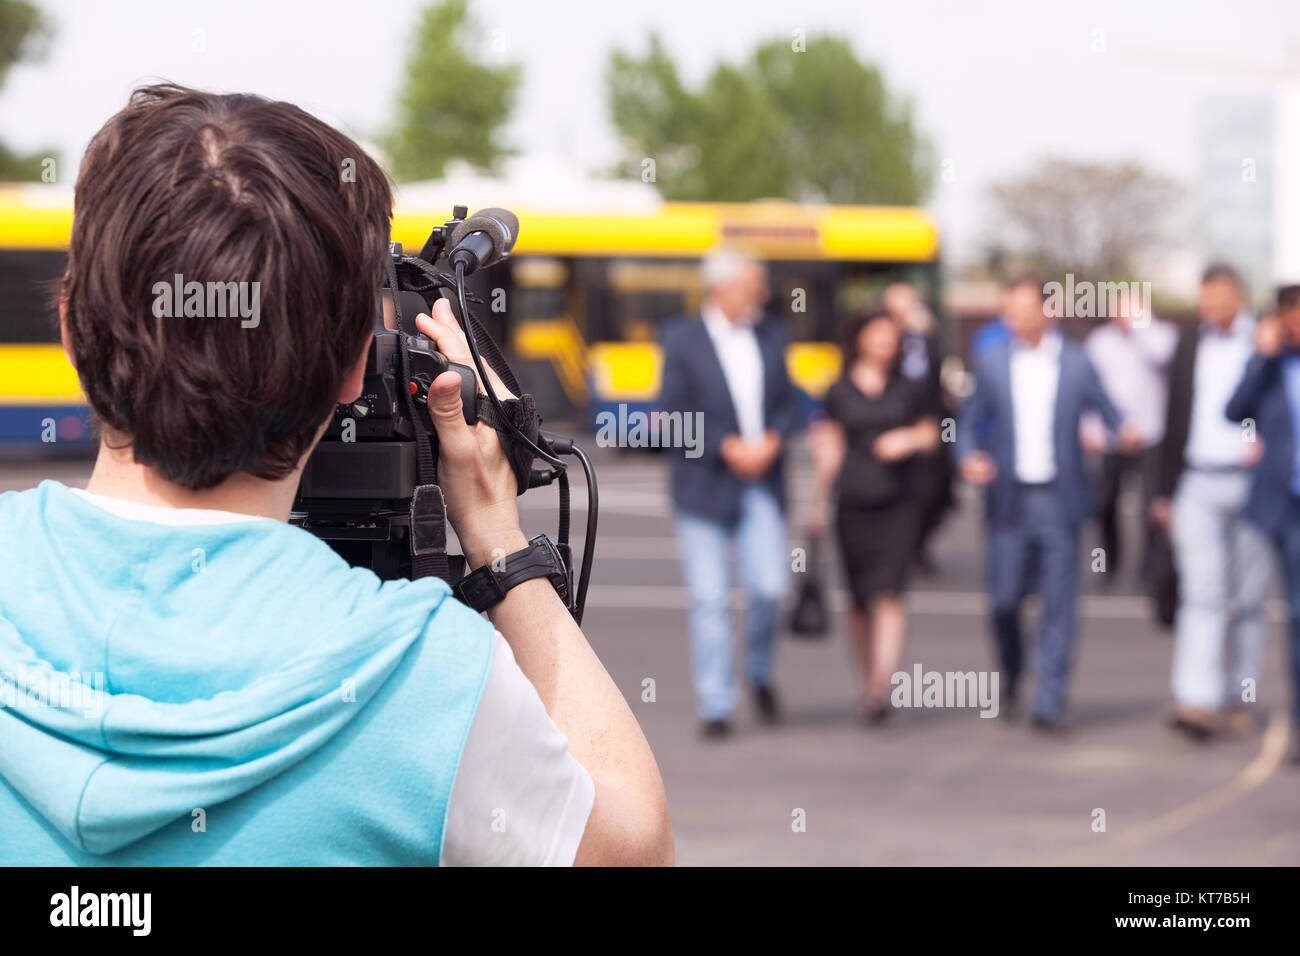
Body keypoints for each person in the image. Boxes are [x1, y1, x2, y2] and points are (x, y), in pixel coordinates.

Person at [0, 85, 673, 866]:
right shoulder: (422, 682)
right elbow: (634, 847)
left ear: (70, 335)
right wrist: (499, 541)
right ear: (359, 364)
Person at [955, 279, 1138, 731]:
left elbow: (1110, 412)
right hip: (1008, 500)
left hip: (1060, 499)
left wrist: (1123, 432)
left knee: (1059, 603)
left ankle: (1049, 698)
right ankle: (1014, 674)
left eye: (1019, 307)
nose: (1010, 317)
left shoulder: (1076, 363)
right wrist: (968, 456)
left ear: (1047, 310)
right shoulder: (993, 362)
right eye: (1007, 308)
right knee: (1004, 600)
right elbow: (966, 423)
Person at [659, 249, 800, 738]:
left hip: (762, 481)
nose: (763, 293)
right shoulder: (682, 339)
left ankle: (759, 672)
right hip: (703, 485)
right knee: (711, 598)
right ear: (723, 288)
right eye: (753, 284)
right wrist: (726, 445)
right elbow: (674, 409)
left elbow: (788, 402)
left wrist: (775, 439)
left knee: (770, 589)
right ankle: (717, 702)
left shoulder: (771, 334)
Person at [1152, 263, 1269, 741]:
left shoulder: (1265, 340)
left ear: (1239, 296)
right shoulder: (1188, 343)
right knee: (1201, 593)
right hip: (1197, 481)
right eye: (1207, 298)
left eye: (1222, 297)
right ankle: (1196, 698)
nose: (1214, 307)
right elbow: (1172, 413)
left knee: (1247, 598)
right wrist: (1163, 490)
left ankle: (1240, 694)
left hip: (1253, 483)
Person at [807, 311, 940, 722]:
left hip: (899, 501)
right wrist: (816, 502)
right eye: (878, 334)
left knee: (889, 594)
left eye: (892, 336)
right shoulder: (839, 390)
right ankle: (867, 682)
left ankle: (882, 687)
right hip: (853, 502)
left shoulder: (910, 388)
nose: (886, 342)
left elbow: (935, 433)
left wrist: (909, 438)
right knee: (859, 600)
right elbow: (829, 447)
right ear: (860, 339)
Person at [1222, 284, 1300, 761]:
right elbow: (1234, 411)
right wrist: (1261, 358)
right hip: (1275, 502)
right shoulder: (1271, 367)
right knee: (1263, 605)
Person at [1080, 289, 1179, 583]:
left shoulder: (1160, 334)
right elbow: (1089, 389)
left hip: (1151, 435)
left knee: (1152, 506)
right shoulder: (1099, 342)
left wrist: (1140, 325)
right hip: (1113, 437)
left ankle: (1148, 570)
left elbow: (1163, 356)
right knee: (1105, 503)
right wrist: (1090, 427)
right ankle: (1107, 565)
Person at [883, 282, 954, 575]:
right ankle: (903, 548)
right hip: (895, 427)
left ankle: (918, 544)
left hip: (932, 426)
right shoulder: (883, 341)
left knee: (938, 493)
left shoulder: (926, 337)